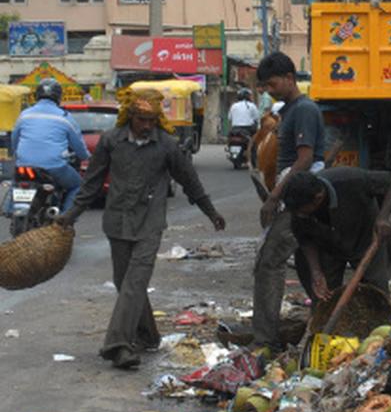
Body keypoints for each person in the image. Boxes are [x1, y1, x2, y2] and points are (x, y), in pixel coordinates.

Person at [56, 88, 226, 370]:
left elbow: (190, 181)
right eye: (141, 119)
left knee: (135, 283)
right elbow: (92, 183)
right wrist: (71, 215)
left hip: (150, 222)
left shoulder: (168, 145)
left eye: (151, 120)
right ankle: (147, 334)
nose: (146, 125)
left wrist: (211, 212)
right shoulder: (111, 141)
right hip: (117, 222)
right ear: (130, 117)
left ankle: (118, 345)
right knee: (126, 284)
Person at [252, 52, 327, 349]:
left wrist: (275, 195)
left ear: (289, 78)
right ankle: (320, 326)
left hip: (294, 195)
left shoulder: (304, 110)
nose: (269, 90)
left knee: (268, 263)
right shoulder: (290, 110)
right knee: (308, 267)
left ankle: (264, 340)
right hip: (292, 191)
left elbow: (305, 159)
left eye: (272, 84)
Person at [280, 168, 391, 302]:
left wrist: (383, 217)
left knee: (376, 290)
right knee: (325, 295)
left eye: (303, 211)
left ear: (318, 198)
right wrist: (316, 271)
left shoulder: (350, 180)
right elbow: (305, 239)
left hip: (364, 235)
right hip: (328, 243)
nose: (299, 215)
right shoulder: (298, 210)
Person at [11, 79, 90, 211]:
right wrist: (86, 156)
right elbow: (79, 148)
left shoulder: (24, 114)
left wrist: (17, 155)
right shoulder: (65, 117)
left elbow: (15, 139)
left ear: (37, 95)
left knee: (16, 182)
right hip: (54, 167)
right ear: (58, 97)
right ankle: (63, 222)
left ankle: (11, 207)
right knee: (78, 186)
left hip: (24, 165)